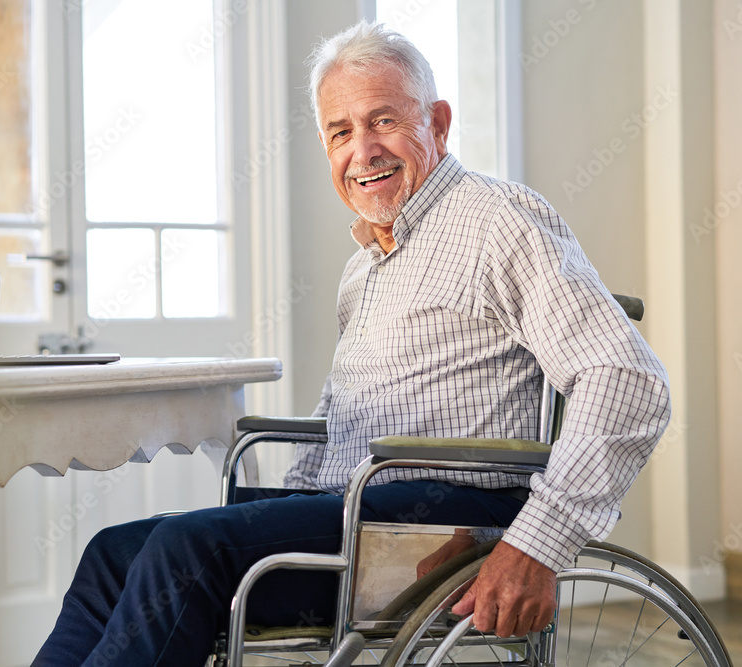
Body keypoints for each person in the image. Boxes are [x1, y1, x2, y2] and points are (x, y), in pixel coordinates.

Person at [33, 21, 669, 666]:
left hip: (444, 522)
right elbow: (341, 419)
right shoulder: (364, 268)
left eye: (384, 121)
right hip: (360, 512)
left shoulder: (497, 220)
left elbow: (627, 380)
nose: (363, 151)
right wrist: (281, 510)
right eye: (340, 132)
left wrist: (537, 544)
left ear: (438, 123)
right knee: (114, 553)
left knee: (184, 555)